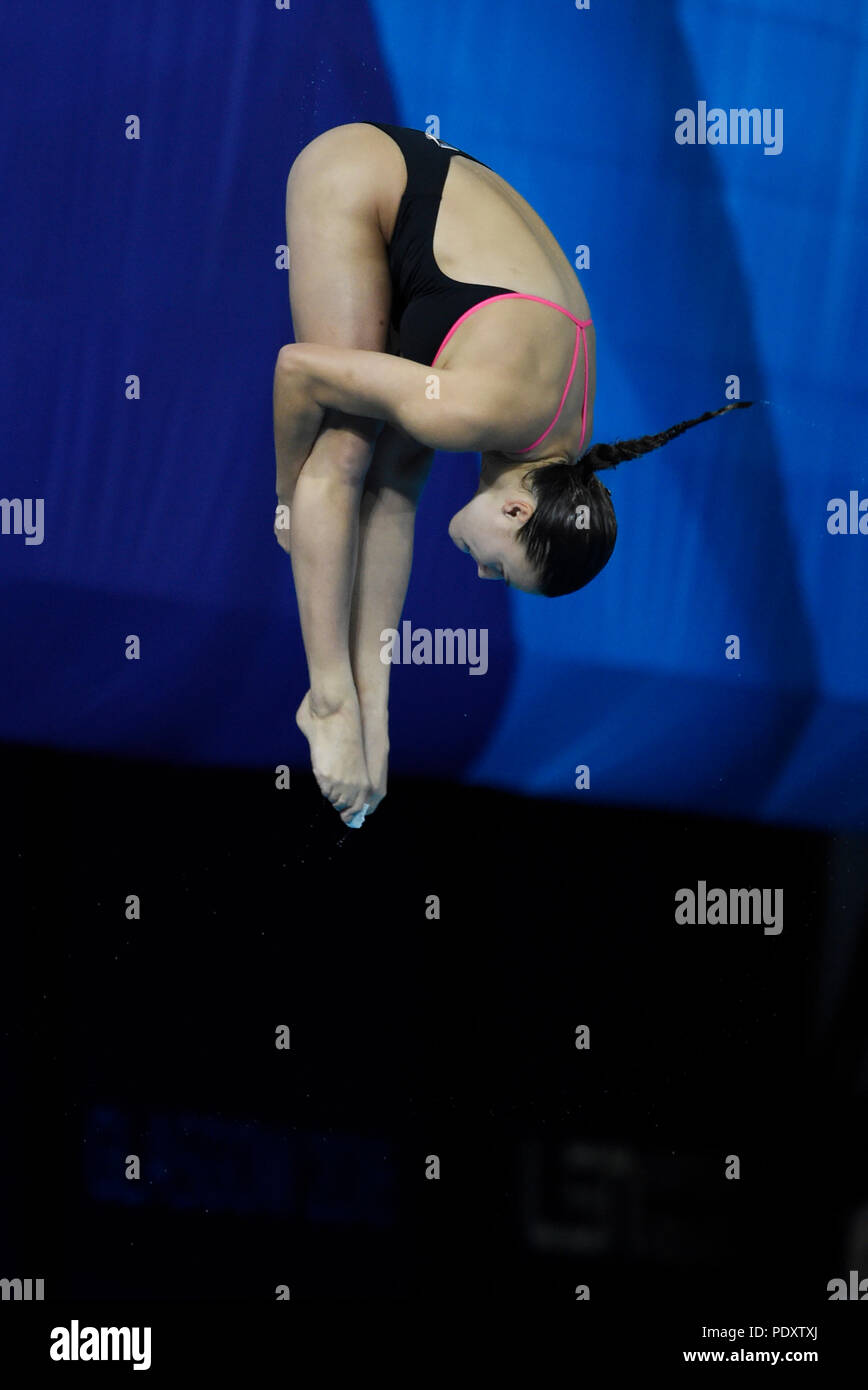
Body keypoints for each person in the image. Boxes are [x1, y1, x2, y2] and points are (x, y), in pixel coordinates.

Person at [273, 121, 752, 827]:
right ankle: (328, 700)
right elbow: (298, 373)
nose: (482, 576)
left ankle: (367, 704)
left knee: (397, 470)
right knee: (341, 454)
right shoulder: (474, 413)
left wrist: (379, 705)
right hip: (355, 170)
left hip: (439, 227)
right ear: (516, 515)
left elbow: (398, 500)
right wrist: (286, 499)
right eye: (503, 570)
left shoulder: (559, 436)